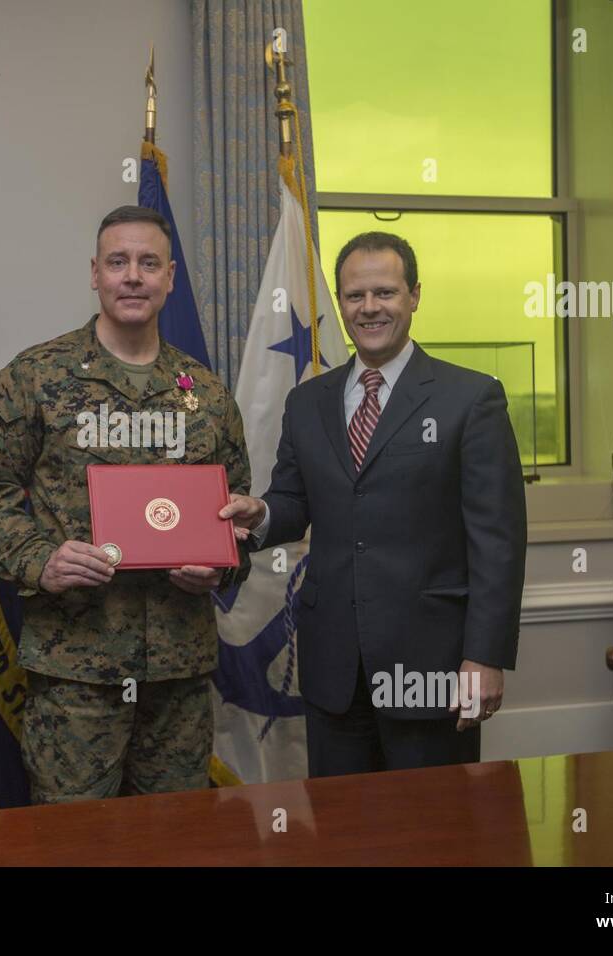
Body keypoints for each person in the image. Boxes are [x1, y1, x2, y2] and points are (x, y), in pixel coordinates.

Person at [0, 205, 251, 803]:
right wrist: (43, 560)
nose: (133, 276)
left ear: (170, 277)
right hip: (76, 674)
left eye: (149, 263)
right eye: (118, 262)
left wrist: (220, 566)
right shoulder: (34, 379)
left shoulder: (208, 394)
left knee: (174, 842)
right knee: (74, 846)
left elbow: (235, 521)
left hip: (180, 673)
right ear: (94, 273)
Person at [223, 231, 527, 776]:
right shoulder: (308, 400)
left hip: (432, 664)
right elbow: (292, 500)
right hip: (332, 666)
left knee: (435, 830)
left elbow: (498, 541)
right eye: (355, 296)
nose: (370, 308)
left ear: (414, 295)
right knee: (341, 835)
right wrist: (262, 513)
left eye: (384, 293)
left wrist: (485, 657)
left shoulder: (470, 398)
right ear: (339, 303)